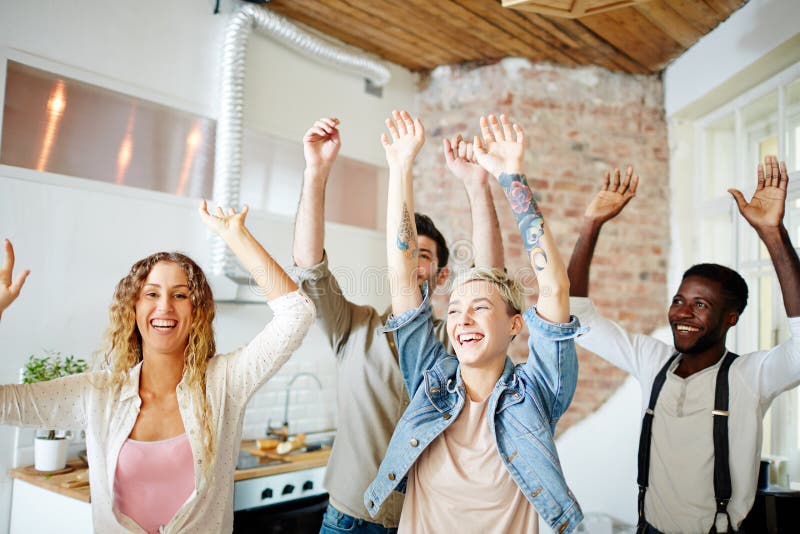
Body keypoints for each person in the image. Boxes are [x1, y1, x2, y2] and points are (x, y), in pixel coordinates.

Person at [0, 202, 315, 533]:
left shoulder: (225, 384)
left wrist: (235, 236)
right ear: (133, 308)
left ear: (197, 311)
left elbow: (297, 314)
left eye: (180, 295)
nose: (165, 306)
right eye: (152, 293)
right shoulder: (97, 394)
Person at [364, 112, 583, 534]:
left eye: (480, 308)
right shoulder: (430, 380)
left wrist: (511, 178)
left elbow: (554, 289)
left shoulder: (536, 394)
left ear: (515, 324)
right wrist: (400, 166)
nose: (462, 319)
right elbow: (403, 277)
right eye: (455, 309)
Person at [291, 116, 505, 533]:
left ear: (442, 275)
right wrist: (316, 173)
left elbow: (491, 280)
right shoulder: (352, 326)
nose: (414, 264)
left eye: (424, 256)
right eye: (410, 255)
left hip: (425, 521)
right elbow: (308, 267)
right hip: (347, 520)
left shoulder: (457, 341)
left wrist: (478, 185)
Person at [567, 158, 800, 533]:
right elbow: (578, 320)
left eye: (701, 305)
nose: (683, 313)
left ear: (731, 318)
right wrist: (591, 224)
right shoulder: (653, 360)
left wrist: (773, 234)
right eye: (679, 300)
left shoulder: (748, 377)